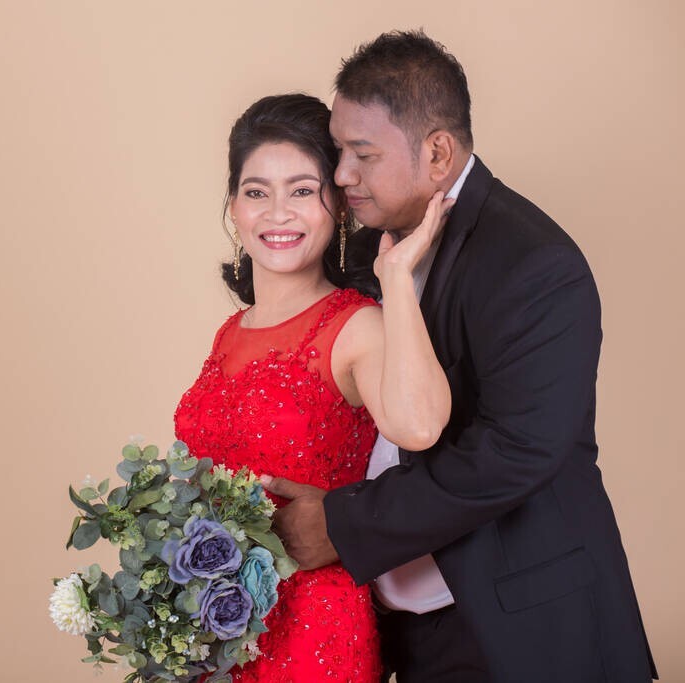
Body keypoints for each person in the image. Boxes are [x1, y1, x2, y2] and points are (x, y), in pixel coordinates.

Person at [261, 31, 658, 682]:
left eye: (363, 155)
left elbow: (515, 451)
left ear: (438, 153)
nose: (342, 175)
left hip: (520, 630)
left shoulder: (535, 264)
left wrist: (341, 524)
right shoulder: (367, 246)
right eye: (338, 151)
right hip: (400, 628)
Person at [174, 93, 454, 682]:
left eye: (302, 190)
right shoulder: (230, 332)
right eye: (257, 192)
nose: (278, 213)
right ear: (233, 207)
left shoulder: (357, 325)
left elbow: (420, 427)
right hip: (218, 632)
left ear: (340, 206)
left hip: (313, 628)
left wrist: (396, 279)